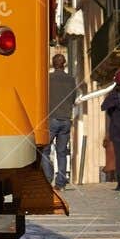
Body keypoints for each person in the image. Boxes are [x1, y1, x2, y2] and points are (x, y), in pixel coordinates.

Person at [42, 51, 77, 188]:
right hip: (66, 119)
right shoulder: (71, 79)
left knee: (45, 150)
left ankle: (48, 177)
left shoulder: (48, 79)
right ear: (64, 64)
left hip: (51, 118)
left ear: (52, 64)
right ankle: (61, 182)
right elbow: (73, 98)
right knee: (62, 152)